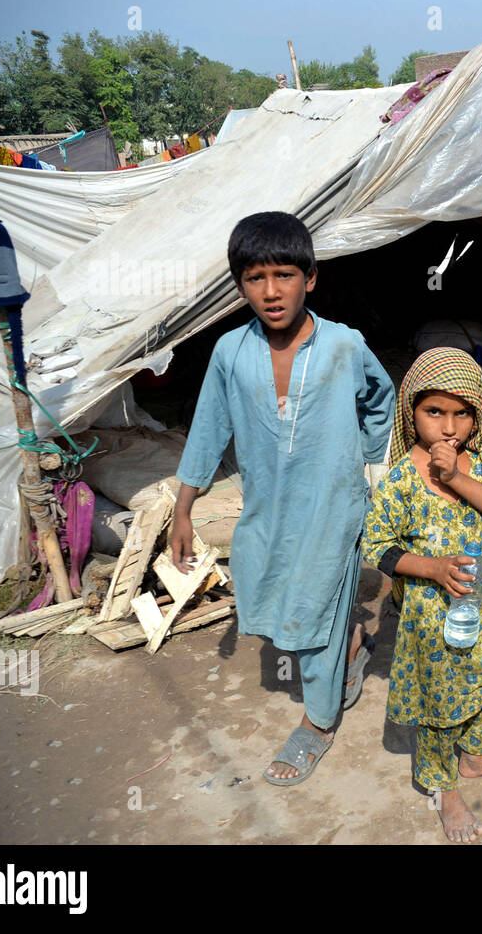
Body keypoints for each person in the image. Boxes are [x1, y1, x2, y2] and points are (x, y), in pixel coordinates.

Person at [171, 211, 395, 786]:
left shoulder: (344, 344)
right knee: (269, 595)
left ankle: (318, 721)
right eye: (255, 278)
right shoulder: (228, 352)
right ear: (239, 285)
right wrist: (184, 506)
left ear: (310, 278)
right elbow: (208, 426)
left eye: (284, 275)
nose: (271, 292)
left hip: (334, 504)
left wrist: (373, 465)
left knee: (314, 608)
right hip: (267, 511)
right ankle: (354, 641)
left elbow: (380, 397)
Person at [361, 347, 482, 842]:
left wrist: (456, 477)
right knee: (441, 707)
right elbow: (376, 547)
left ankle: (476, 757)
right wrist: (432, 568)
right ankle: (445, 790)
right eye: (433, 411)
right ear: (410, 413)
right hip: (432, 615)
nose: (448, 426)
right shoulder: (400, 478)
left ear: (479, 412)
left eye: (461, 412)